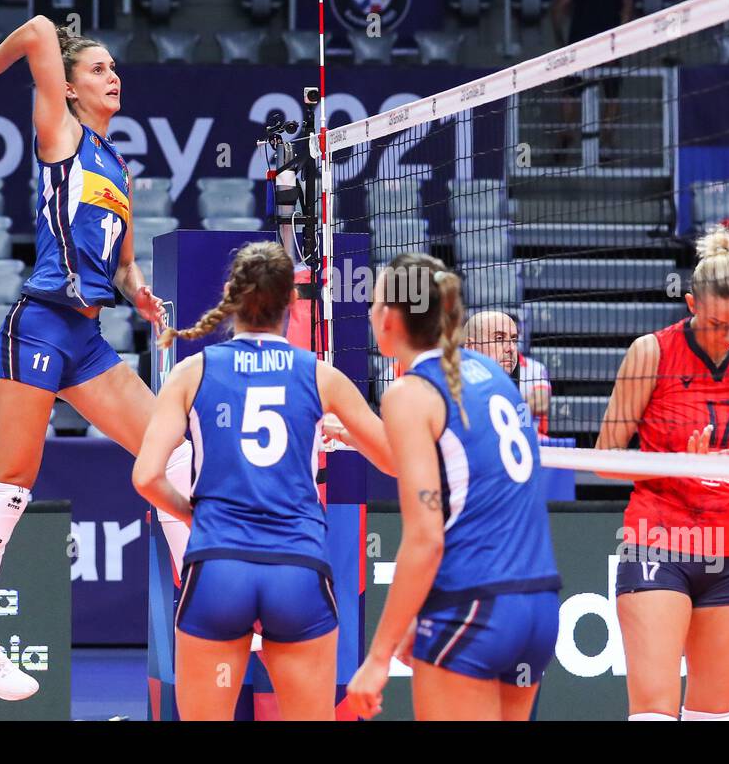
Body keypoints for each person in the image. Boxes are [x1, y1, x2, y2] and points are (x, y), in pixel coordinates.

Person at [0, 16, 170, 701]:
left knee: (175, 451)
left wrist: (140, 295)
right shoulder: (59, 137)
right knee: (11, 484)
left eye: (112, 68)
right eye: (97, 70)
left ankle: (206, 608)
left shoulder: (116, 166)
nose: (112, 76)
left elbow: (124, 265)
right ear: (67, 89)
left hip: (89, 341)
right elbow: (41, 28)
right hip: (39, 326)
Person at [131, 241, 396, 721]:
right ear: (290, 304)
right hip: (296, 568)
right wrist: (348, 432)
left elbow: (147, 476)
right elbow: (396, 460)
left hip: (218, 567)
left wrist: (198, 514)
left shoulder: (193, 372)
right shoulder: (321, 375)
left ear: (231, 296)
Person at [346, 254, 562, 721]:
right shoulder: (494, 378)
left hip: (474, 604)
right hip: (538, 607)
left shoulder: (409, 392)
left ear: (391, 318)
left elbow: (425, 539)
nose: (369, 312)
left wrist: (378, 656)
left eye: (375, 301)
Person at [595, 224, 729, 721]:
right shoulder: (651, 352)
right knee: (655, 713)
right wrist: (681, 464)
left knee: (713, 714)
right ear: (690, 305)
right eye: (717, 324)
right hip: (657, 539)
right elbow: (604, 459)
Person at [551, 0, 636, 150]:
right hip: (607, 48)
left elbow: (557, 9)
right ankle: (606, 141)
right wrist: (618, 41)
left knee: (570, 92)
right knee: (611, 94)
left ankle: (566, 131)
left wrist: (561, 40)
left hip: (578, 47)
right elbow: (627, 10)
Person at [462, 309, 551, 437]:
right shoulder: (454, 383)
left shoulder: (534, 368)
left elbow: (541, 404)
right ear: (471, 346)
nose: (511, 348)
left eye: (514, 340)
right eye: (499, 339)